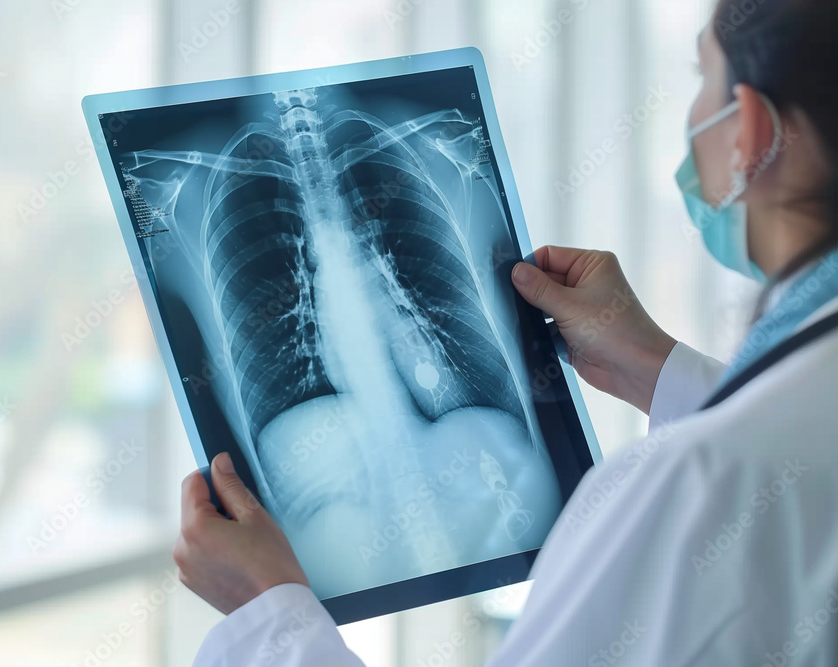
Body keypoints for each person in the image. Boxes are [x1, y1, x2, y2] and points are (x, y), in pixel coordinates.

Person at [172, 0, 838, 663]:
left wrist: (269, 612)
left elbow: (747, 469)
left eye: (702, 76)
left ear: (749, 131)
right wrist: (653, 366)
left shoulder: (690, 485)